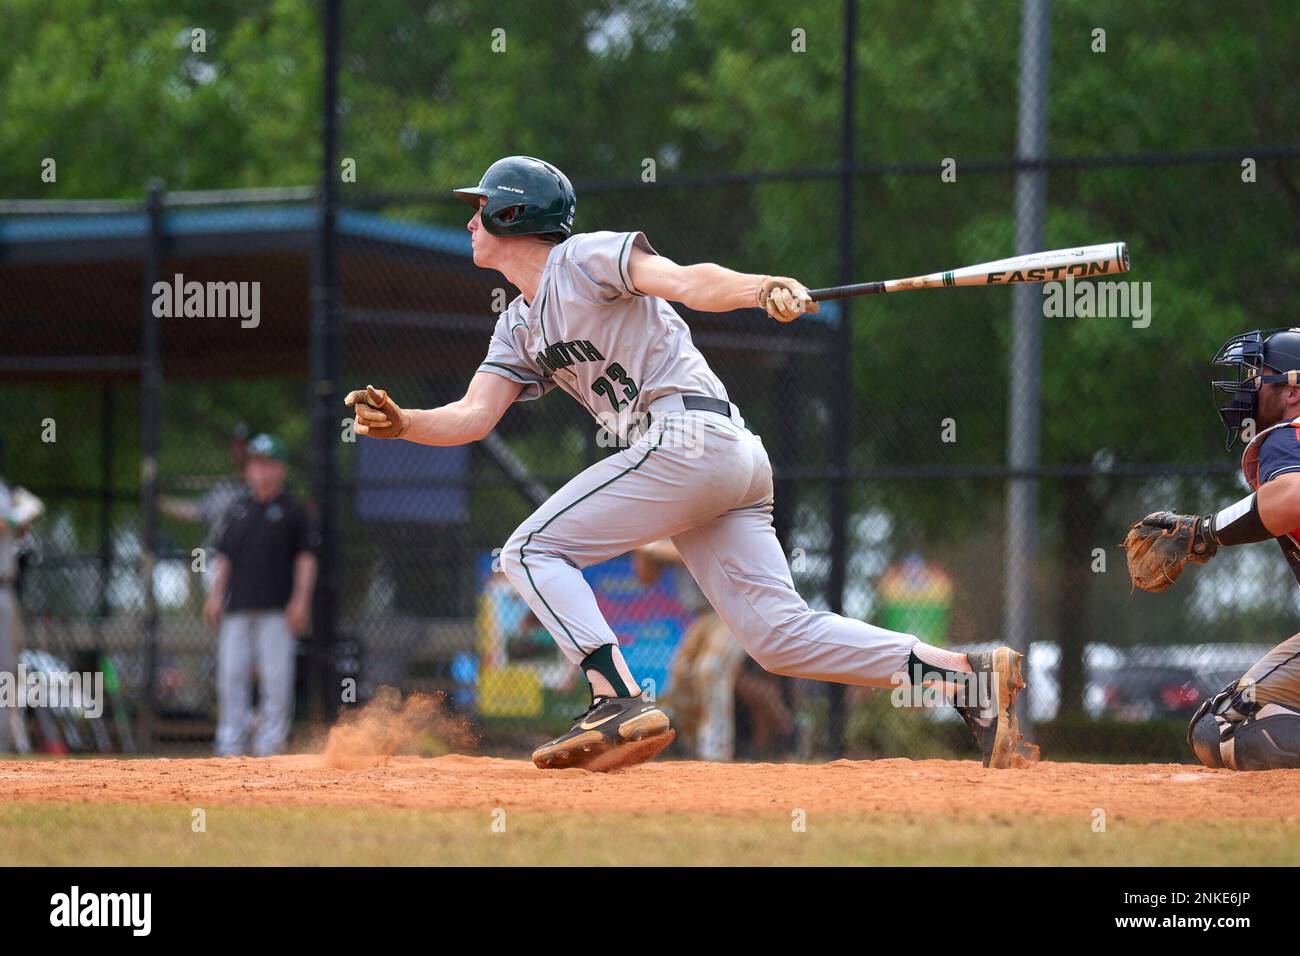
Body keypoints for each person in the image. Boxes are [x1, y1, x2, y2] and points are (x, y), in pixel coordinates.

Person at [346, 155, 1028, 771]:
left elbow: (683, 280)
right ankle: (964, 675)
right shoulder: (519, 324)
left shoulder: (582, 259)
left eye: (481, 206)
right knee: (780, 640)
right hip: (718, 461)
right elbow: (473, 416)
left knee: (526, 551)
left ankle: (615, 697)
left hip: (690, 439)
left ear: (512, 214)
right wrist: (406, 423)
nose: (470, 220)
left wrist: (761, 288)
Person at [1125, 328, 1300, 770]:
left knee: (1224, 724)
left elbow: (1294, 495)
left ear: (1294, 392)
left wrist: (1204, 531)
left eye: (1259, 375)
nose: (1247, 386)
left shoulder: (1289, 435)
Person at [203, 434, 317, 756]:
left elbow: (306, 558)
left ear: (280, 469)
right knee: (231, 675)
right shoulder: (237, 510)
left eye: (267, 464)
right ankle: (230, 744)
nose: (261, 471)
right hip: (237, 607)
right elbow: (223, 557)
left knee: (276, 677)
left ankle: (270, 744)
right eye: (255, 464)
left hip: (277, 609)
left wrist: (300, 600)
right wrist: (214, 596)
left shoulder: (294, 511)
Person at [0, 436, 41, 754]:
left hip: (5, 587)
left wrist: (22, 518)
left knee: (8, 669)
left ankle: (7, 743)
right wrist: (16, 515)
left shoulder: (3, 489)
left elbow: (15, 533)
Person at [160, 423, 250, 547]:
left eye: (243, 445)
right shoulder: (224, 486)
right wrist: (162, 502)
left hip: (248, 553)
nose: (239, 450)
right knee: (198, 559)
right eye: (235, 445)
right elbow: (197, 510)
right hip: (217, 552)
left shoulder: (266, 488)